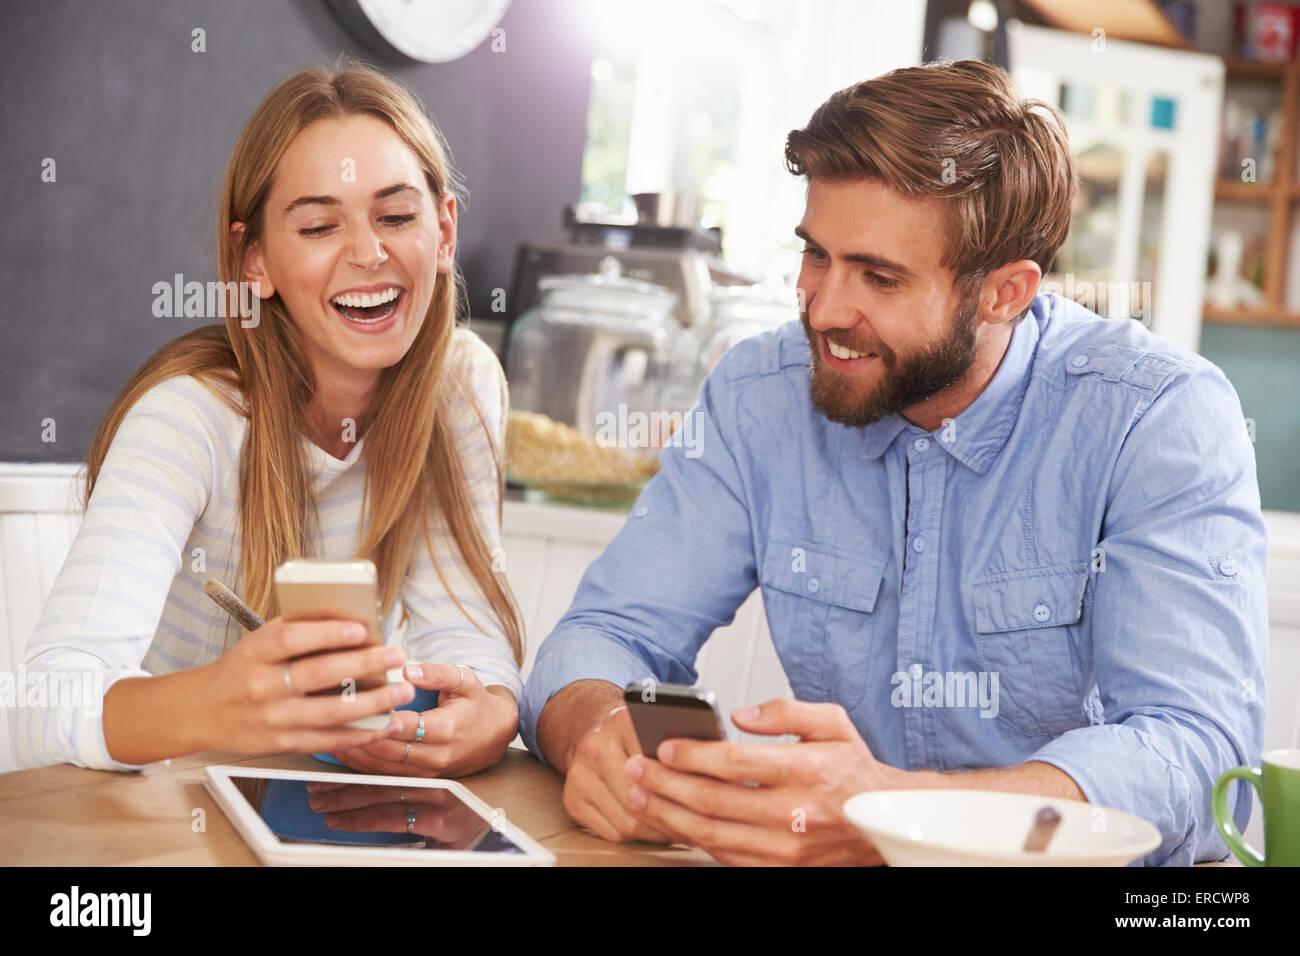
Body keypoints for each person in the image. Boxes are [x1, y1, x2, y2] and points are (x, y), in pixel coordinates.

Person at [520, 59, 1268, 866]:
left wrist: (894, 816)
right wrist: (595, 730)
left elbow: (1198, 757)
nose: (824, 308)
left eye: (879, 277)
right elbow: (605, 635)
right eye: (815, 256)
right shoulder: (759, 394)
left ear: (1005, 293)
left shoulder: (1158, 417)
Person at [13, 63, 523, 778]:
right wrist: (214, 705)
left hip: (335, 804)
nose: (368, 253)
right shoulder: (187, 418)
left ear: (443, 233)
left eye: (397, 216)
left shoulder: (461, 387)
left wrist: (492, 711)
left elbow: (469, 640)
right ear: (254, 261)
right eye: (318, 225)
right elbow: (44, 702)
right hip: (164, 814)